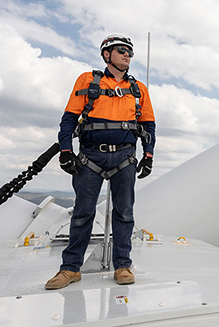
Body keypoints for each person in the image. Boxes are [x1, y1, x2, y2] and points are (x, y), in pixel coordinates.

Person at [46, 34, 156, 290]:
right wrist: (65, 151)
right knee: (82, 213)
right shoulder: (87, 80)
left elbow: (148, 125)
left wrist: (148, 155)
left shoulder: (139, 89)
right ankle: (70, 269)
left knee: (124, 213)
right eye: (122, 50)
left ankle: (122, 265)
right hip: (90, 157)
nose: (127, 55)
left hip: (125, 157)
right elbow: (69, 119)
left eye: (130, 52)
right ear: (107, 54)